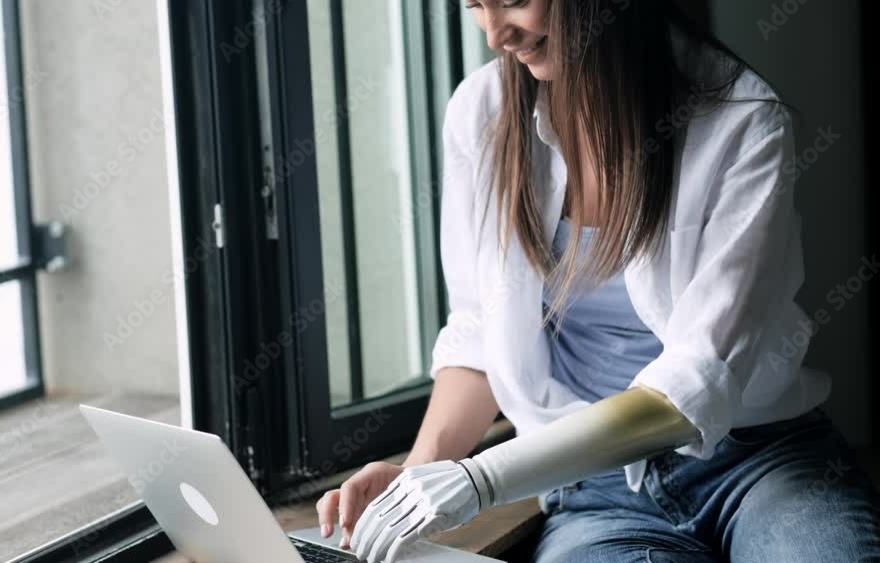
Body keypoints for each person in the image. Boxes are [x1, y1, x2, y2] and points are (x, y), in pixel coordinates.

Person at [315, 1, 880, 561]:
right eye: (476, 6)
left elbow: (695, 383)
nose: (494, 34)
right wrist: (416, 476)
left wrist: (483, 478)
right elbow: (479, 332)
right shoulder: (480, 111)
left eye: (513, 1)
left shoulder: (742, 118)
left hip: (760, 459)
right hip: (593, 491)